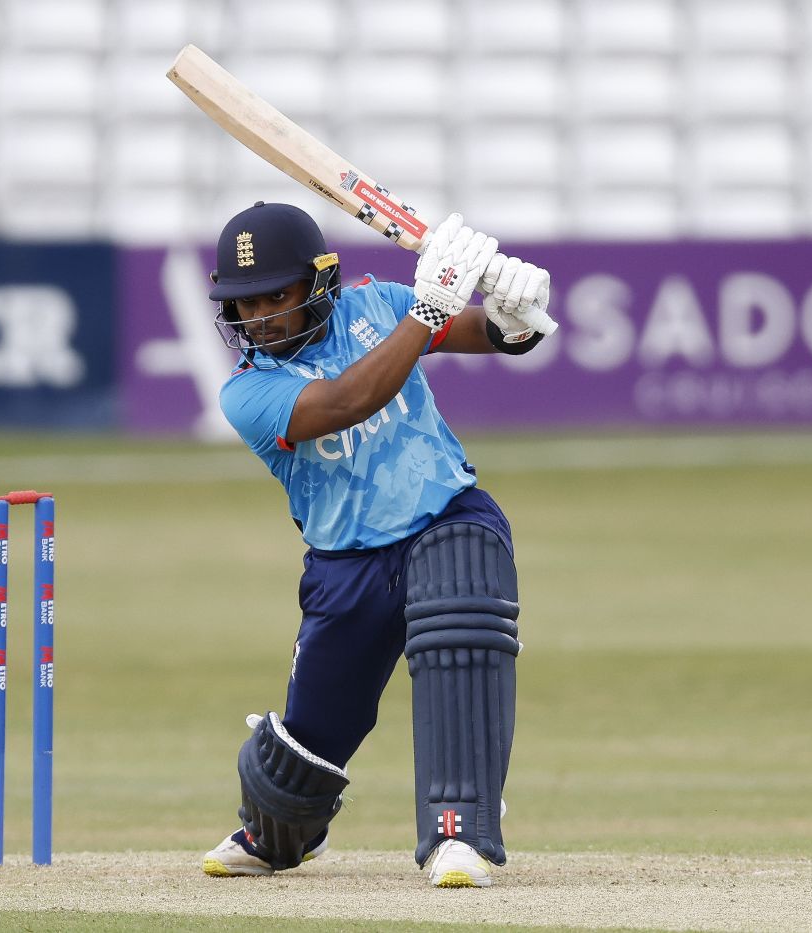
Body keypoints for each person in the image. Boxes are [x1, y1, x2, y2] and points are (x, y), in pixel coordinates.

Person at [198, 201, 554, 888]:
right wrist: (424, 312)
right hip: (346, 566)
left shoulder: (380, 306)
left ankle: (461, 829)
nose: (262, 315)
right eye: (245, 304)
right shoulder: (249, 392)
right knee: (303, 757)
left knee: (462, 621)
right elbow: (344, 402)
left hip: (443, 519)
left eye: (279, 294)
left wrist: (515, 316)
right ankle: (280, 834)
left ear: (321, 282)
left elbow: (487, 334)